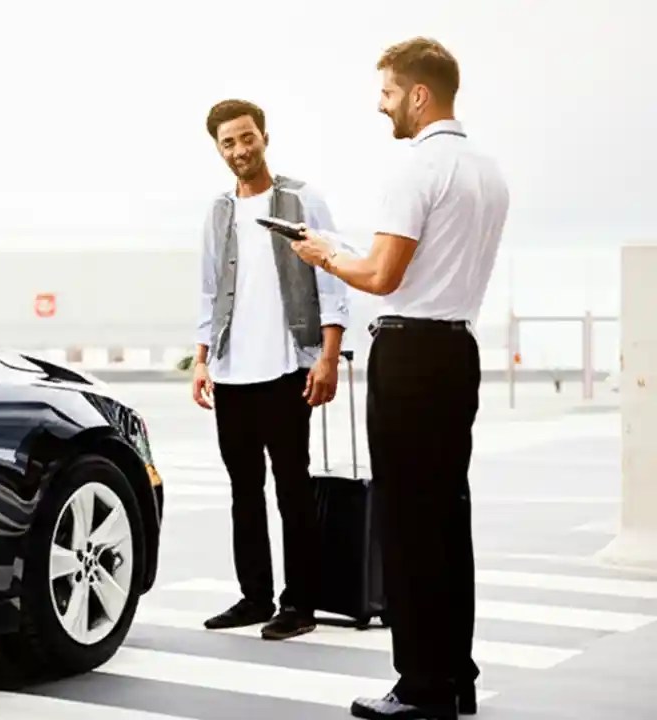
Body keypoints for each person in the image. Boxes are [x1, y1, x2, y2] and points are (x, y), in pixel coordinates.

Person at [290, 37, 509, 720]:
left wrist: (327, 254)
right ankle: (455, 676)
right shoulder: (488, 170)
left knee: (408, 524)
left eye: (387, 93)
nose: (381, 105)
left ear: (419, 94)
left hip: (410, 355)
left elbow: (383, 276)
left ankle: (419, 687)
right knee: (447, 520)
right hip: (457, 353)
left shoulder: (416, 168)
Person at [192, 99, 350, 641]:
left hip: (287, 368)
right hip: (233, 370)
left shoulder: (302, 198)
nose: (239, 150)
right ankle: (255, 596)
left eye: (246, 138)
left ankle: (300, 603)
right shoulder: (218, 211)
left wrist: (328, 357)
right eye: (227, 143)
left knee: (292, 489)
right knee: (243, 488)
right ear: (218, 148)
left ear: (264, 136)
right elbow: (209, 290)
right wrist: (201, 360)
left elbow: (332, 278)